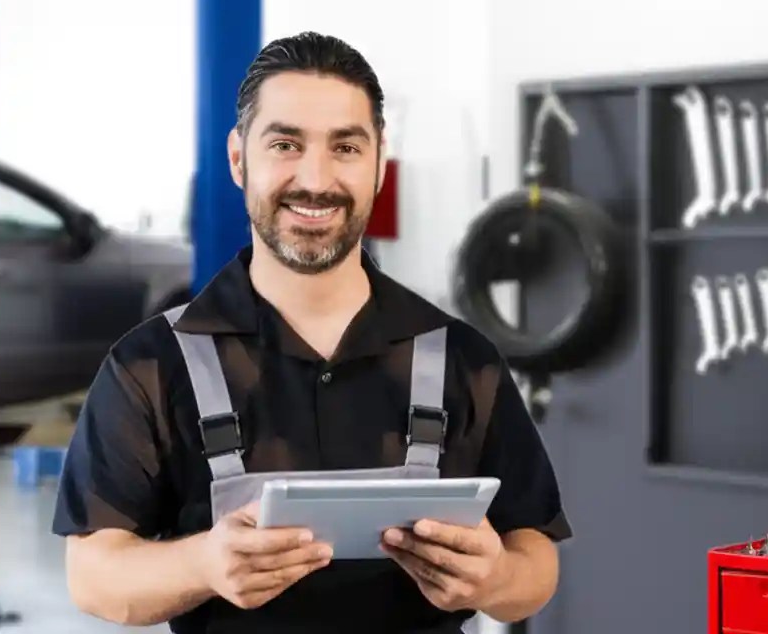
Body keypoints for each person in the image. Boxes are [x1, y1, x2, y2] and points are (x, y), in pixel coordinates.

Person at [53, 31, 570, 633]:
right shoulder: (153, 364)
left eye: (346, 147)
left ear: (379, 162)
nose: (315, 179)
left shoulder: (460, 359)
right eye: (286, 144)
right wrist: (203, 563)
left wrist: (496, 579)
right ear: (239, 157)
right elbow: (93, 575)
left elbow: (535, 561)